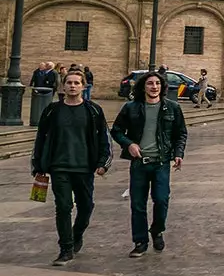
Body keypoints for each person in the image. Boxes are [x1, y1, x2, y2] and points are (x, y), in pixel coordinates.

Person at [32, 68, 111, 265]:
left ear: (84, 87)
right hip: (59, 167)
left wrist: (103, 163)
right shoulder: (52, 110)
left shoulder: (93, 110)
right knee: (63, 206)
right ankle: (65, 248)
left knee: (86, 206)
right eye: (69, 83)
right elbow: (40, 138)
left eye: (77, 83)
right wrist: (38, 164)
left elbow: (104, 139)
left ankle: (77, 235)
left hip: (84, 168)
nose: (73, 86)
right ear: (63, 86)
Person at [110, 72, 188, 258]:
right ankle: (140, 241)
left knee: (161, 200)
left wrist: (178, 154)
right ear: (143, 87)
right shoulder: (131, 107)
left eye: (157, 84)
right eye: (150, 84)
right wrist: (129, 144)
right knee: (138, 204)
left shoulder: (172, 108)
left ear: (162, 87)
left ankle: (157, 230)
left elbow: (181, 133)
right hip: (139, 163)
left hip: (161, 162)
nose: (154, 87)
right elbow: (116, 130)